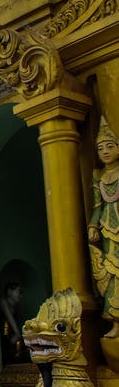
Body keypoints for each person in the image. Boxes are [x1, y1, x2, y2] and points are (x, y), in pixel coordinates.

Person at [89, 116, 119, 338]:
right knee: (110, 275)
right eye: (101, 148)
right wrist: (93, 225)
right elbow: (97, 205)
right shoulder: (98, 176)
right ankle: (116, 323)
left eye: (110, 146)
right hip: (108, 228)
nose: (105, 151)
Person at [0, 282, 26, 363]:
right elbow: (9, 320)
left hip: (12, 341)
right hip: (4, 342)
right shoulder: (3, 302)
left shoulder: (16, 309)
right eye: (18, 291)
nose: (20, 295)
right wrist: (18, 334)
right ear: (9, 291)